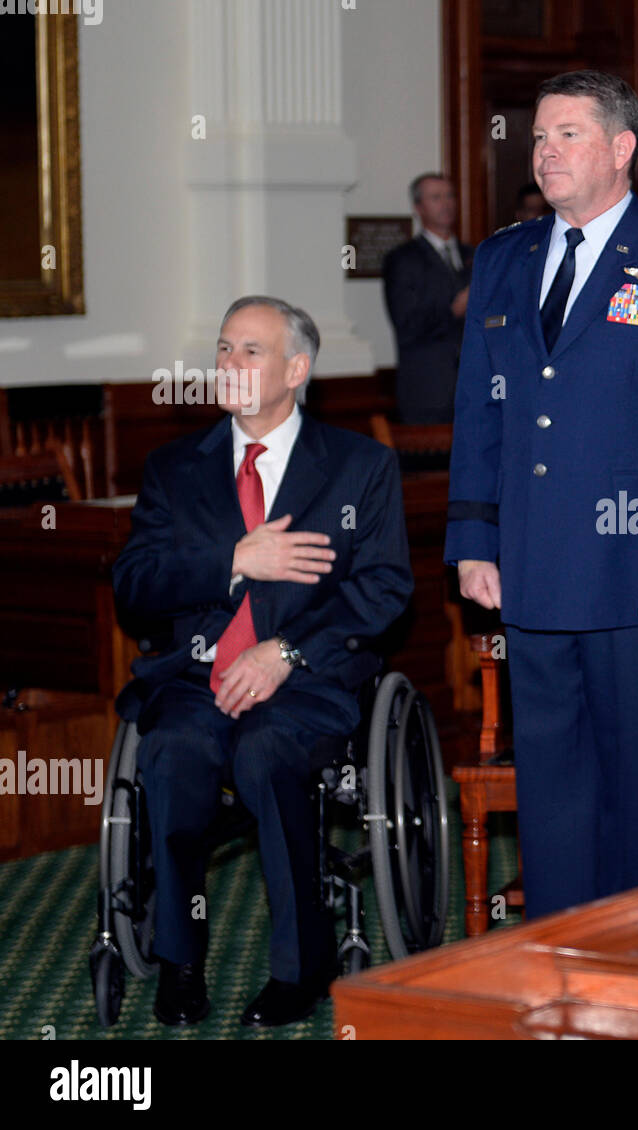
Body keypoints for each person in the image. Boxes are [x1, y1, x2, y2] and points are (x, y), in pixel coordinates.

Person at [446, 70, 638, 916]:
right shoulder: (503, 260)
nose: (546, 152)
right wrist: (474, 538)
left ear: (622, 149)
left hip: (636, 569)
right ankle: (556, 952)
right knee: (550, 782)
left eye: (567, 135)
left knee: (632, 780)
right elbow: (480, 412)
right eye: (539, 137)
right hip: (533, 564)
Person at [113, 296, 413, 1026]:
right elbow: (134, 588)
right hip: (195, 675)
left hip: (306, 679)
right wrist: (233, 560)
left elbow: (385, 591)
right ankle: (180, 963)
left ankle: (300, 966)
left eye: (251, 350)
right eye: (223, 348)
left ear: (297, 369)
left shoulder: (358, 467)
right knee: (175, 755)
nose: (229, 364)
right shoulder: (175, 468)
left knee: (266, 751)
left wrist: (286, 652)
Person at [382, 173, 475, 424]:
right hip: (428, 389)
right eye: (436, 198)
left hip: (474, 389)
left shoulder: (474, 255)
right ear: (418, 208)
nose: (446, 204)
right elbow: (407, 324)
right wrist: (453, 311)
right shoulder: (403, 259)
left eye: (450, 196)